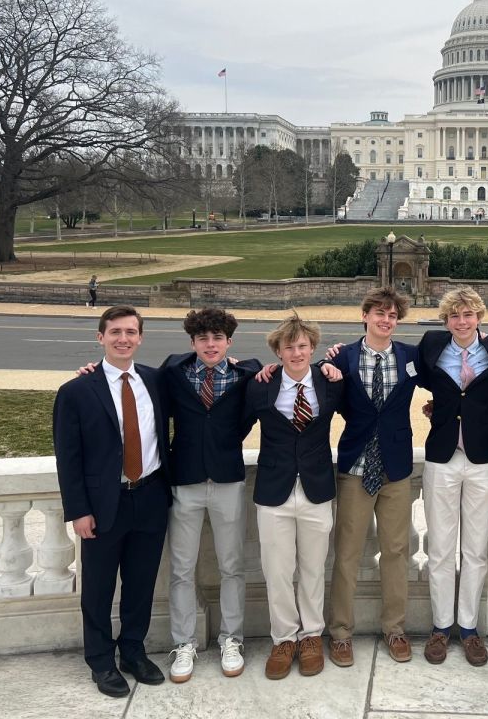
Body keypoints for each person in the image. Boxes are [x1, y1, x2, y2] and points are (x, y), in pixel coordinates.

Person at [53, 305, 170, 699]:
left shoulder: (155, 381)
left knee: (140, 585)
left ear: (140, 338)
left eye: (131, 332)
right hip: (104, 505)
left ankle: (132, 652)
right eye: (115, 332)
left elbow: (204, 365)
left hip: (151, 497)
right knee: (99, 589)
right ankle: (101, 661)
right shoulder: (76, 391)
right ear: (100, 337)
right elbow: (68, 457)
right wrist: (78, 511)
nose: (124, 338)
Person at [161, 308, 262, 683]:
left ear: (229, 342)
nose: (210, 344)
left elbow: (273, 384)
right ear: (192, 343)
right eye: (203, 338)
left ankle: (231, 639)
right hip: (184, 480)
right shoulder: (174, 372)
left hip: (227, 481)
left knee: (232, 564)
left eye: (217, 338)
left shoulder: (245, 374)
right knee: (182, 568)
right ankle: (183, 643)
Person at [241, 313, 344, 680]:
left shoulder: (330, 383)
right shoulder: (260, 386)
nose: (296, 352)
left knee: (314, 568)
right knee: (278, 570)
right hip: (274, 491)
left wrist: (334, 366)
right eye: (289, 347)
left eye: (302, 346)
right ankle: (284, 638)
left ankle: (312, 636)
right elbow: (234, 422)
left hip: (317, 489)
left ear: (312, 348)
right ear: (278, 352)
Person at [325, 286, 420, 666]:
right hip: (356, 467)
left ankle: (394, 629)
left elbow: (451, 387)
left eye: (392, 315)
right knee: (346, 554)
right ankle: (340, 633)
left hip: (396, 468)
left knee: (397, 552)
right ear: (365, 316)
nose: (386, 320)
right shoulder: (342, 358)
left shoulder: (411, 357)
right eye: (379, 313)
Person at [418, 286, 488, 666]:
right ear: (445, 320)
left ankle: (469, 628)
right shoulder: (431, 345)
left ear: (479, 318)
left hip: (483, 457)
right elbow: (420, 374)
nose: (462, 321)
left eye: (468, 314)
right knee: (440, 548)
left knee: (475, 549)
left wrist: (475, 411)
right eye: (454, 315)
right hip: (442, 456)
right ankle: (441, 626)